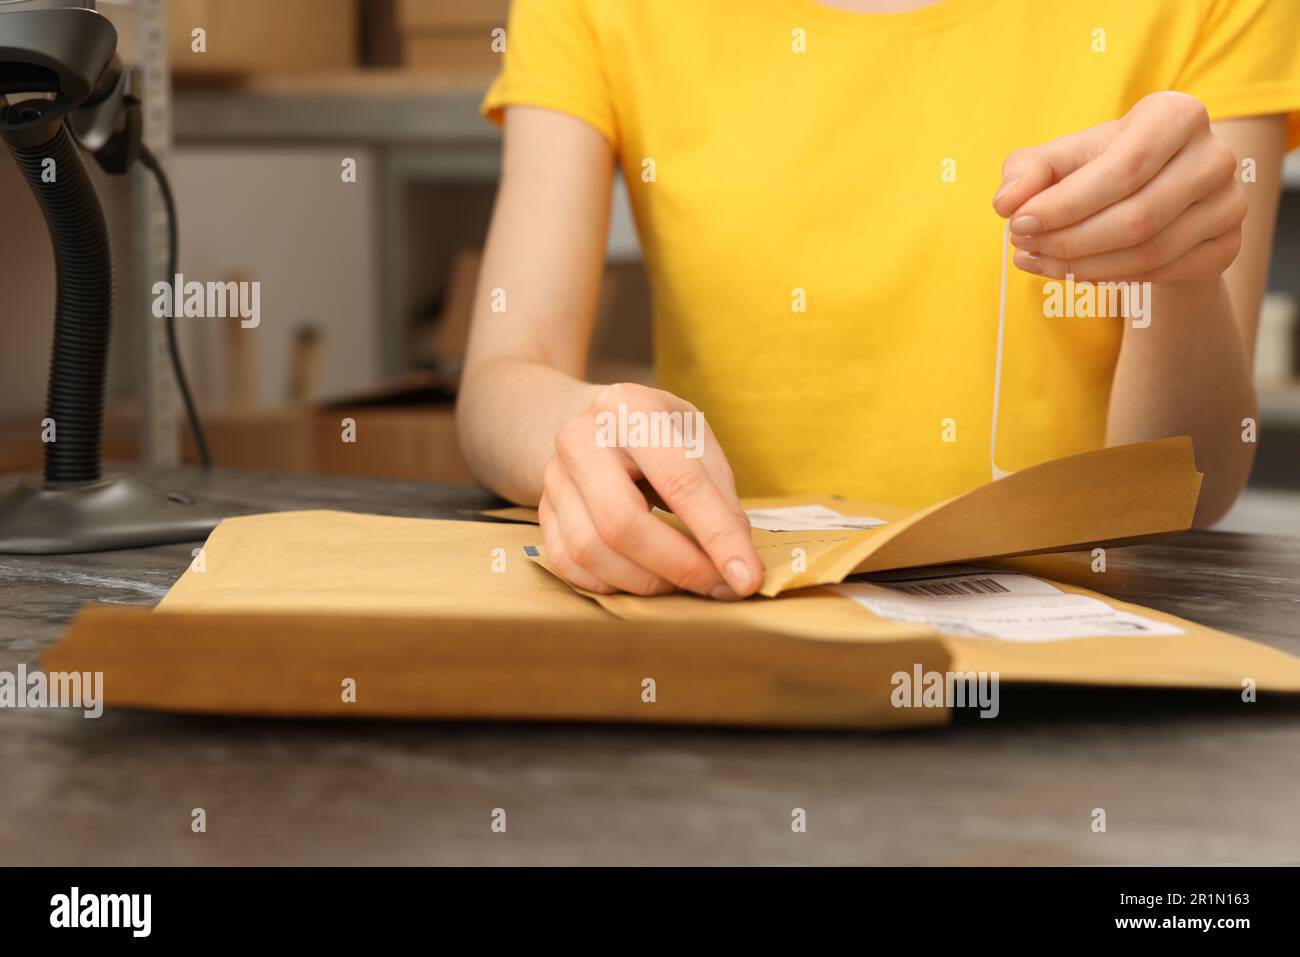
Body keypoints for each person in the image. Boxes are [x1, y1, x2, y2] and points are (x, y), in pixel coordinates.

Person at [455, 0, 1300, 600]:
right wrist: (583, 428)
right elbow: (506, 371)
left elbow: (1192, 480)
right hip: (732, 615)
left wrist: (1176, 274)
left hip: (1082, 652)